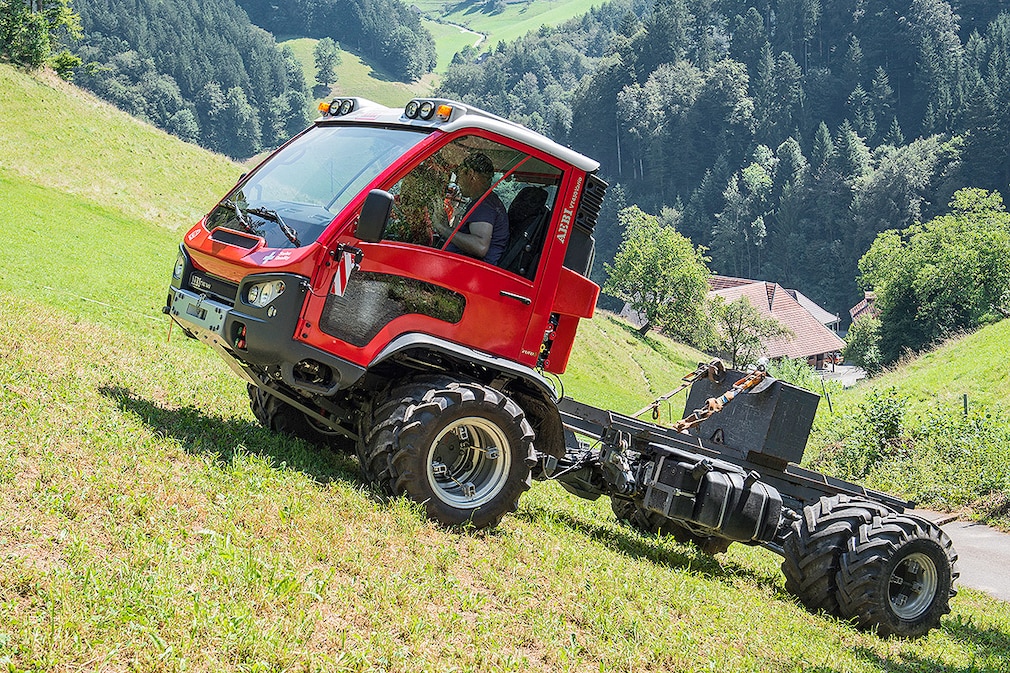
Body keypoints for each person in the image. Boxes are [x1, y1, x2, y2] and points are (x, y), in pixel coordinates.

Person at [433, 152, 509, 265]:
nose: (457, 182)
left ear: (471, 174)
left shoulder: (484, 206)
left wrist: (442, 228)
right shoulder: (488, 201)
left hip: (471, 273)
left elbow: (480, 246)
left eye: (459, 176)